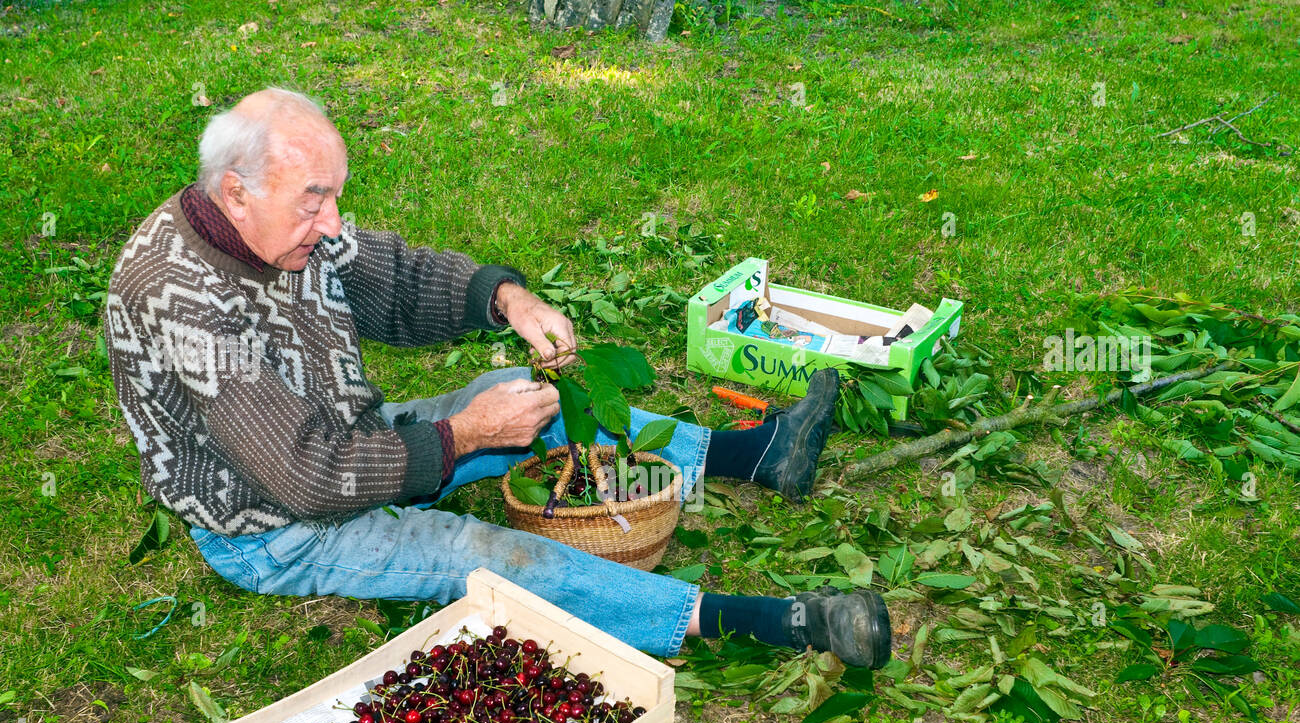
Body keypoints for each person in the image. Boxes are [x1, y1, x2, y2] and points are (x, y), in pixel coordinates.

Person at [105, 87, 890, 667]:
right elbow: (310, 477)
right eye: (317, 203)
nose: (334, 223)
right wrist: (462, 438)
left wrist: (505, 298)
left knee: (523, 394)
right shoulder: (178, 297)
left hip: (348, 438)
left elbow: (395, 280)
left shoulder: (284, 229)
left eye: (337, 197)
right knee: (479, 551)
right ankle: (761, 621)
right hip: (275, 525)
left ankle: (755, 455)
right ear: (236, 192)